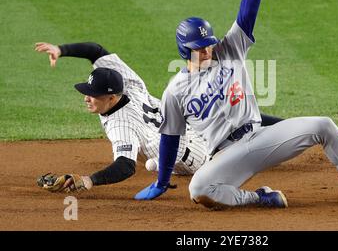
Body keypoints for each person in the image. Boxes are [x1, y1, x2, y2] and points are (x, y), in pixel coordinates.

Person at [134, 0, 338, 207]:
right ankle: (258, 198)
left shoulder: (230, 50)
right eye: (198, 48)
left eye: (208, 44)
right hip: (226, 156)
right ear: (183, 50)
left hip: (260, 138)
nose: (206, 51)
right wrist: (162, 182)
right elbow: (170, 137)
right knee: (199, 189)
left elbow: (247, 14)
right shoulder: (175, 91)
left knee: (323, 125)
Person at [35, 42, 282, 192]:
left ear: (112, 98)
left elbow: (125, 166)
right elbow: (96, 51)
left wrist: (89, 181)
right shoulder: (129, 83)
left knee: (244, 148)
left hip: (196, 156)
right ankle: (289, 127)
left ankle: (269, 164)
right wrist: (61, 50)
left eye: (93, 94)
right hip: (188, 123)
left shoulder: (123, 125)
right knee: (232, 115)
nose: (86, 98)